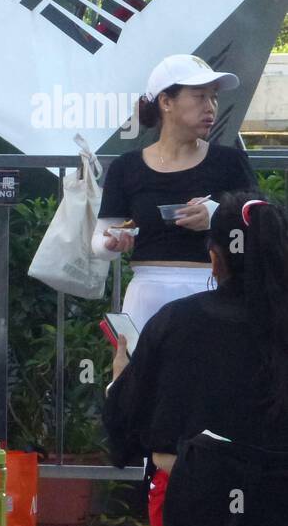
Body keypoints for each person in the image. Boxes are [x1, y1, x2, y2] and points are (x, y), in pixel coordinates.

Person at [105, 192, 288, 526]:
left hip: (192, 518)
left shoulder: (175, 322)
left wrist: (119, 380)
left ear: (215, 259)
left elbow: (127, 428)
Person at [95, 54, 254, 332]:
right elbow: (100, 238)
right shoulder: (126, 167)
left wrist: (217, 215)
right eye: (199, 96)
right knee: (139, 374)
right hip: (145, 297)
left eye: (214, 97)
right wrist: (111, 243)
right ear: (166, 102)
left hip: (212, 292)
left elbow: (261, 223)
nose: (211, 107)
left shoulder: (230, 162)